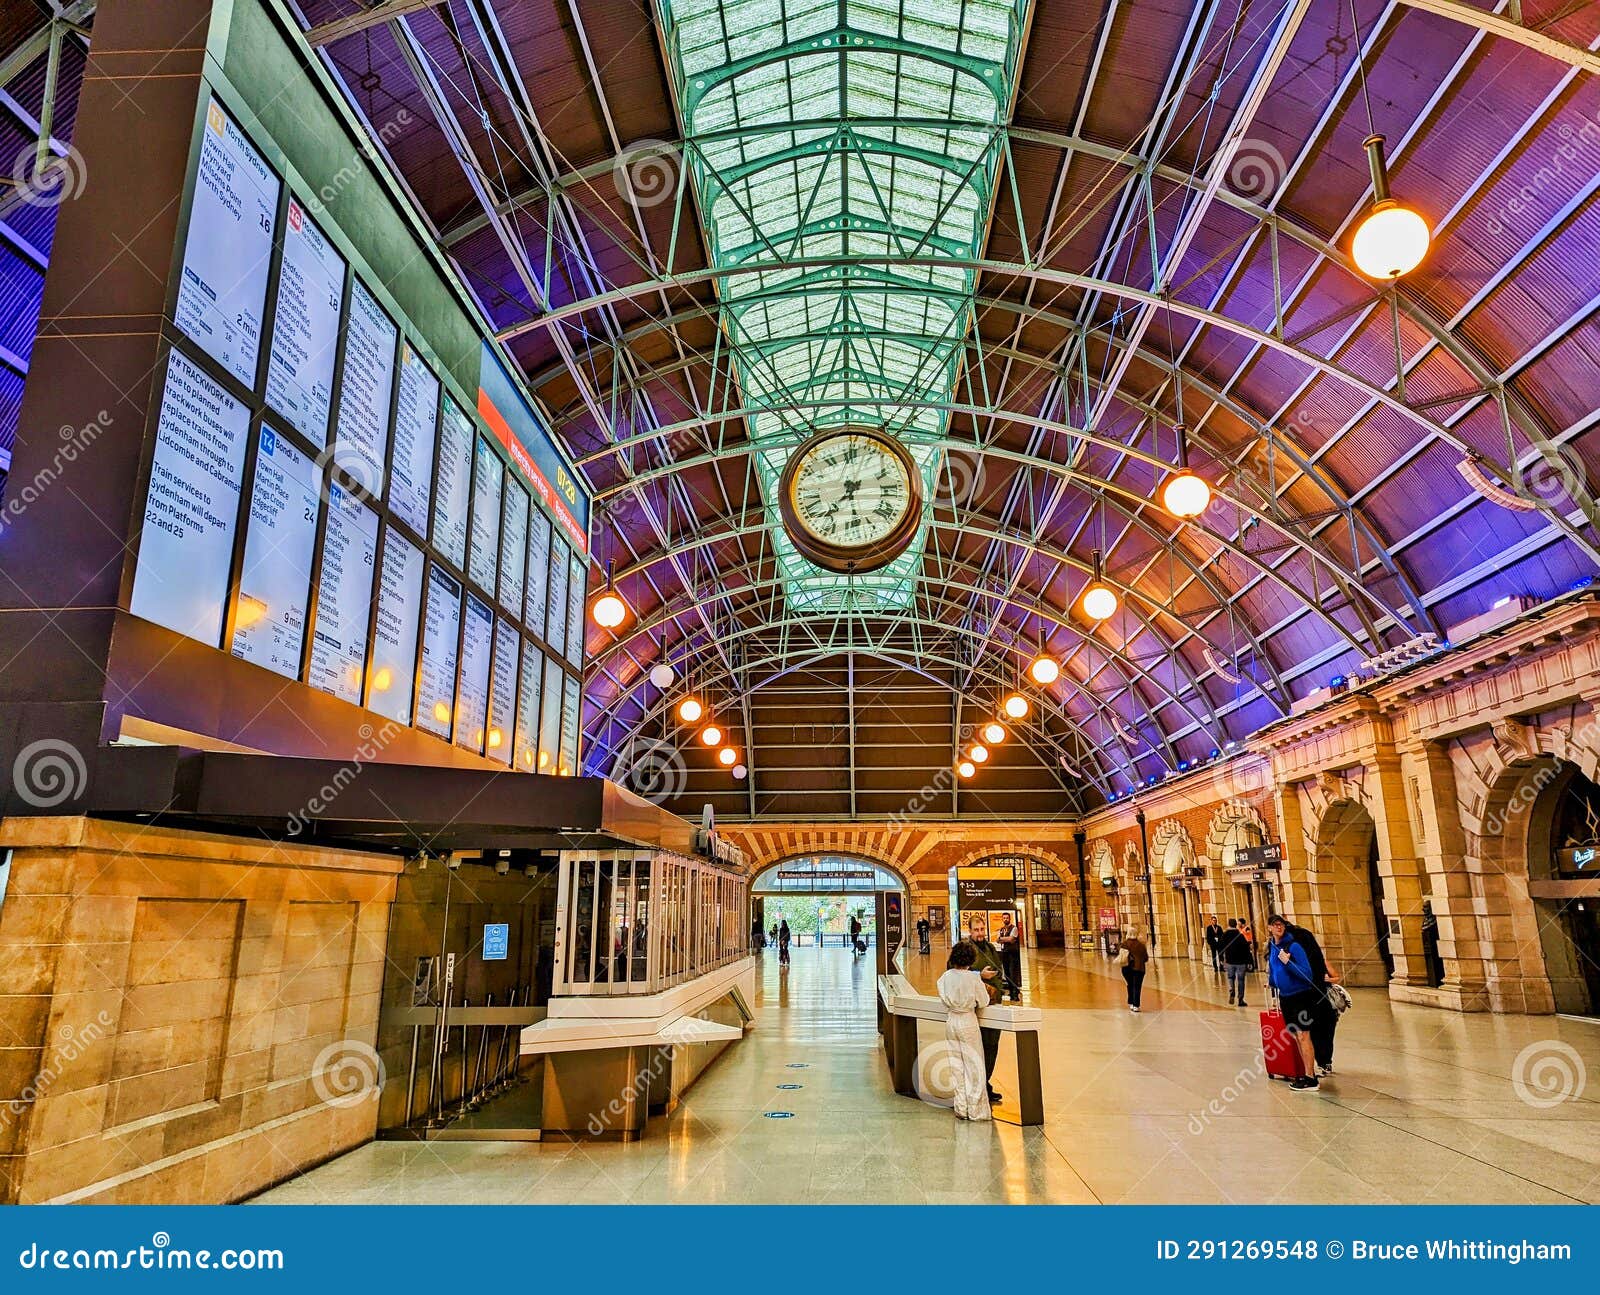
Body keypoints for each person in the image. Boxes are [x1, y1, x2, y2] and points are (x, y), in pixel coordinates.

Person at [936, 942, 992, 1121]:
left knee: (956, 1065)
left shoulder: (945, 977)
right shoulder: (973, 979)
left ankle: (961, 1107)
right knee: (973, 1064)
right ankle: (976, 1111)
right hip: (968, 1021)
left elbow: (943, 997)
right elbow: (983, 1001)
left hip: (951, 1020)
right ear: (971, 959)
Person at [1266, 915, 1321, 1091]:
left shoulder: (1294, 946)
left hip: (1301, 996)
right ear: (1269, 928)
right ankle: (1305, 1073)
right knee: (1296, 1035)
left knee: (1304, 1035)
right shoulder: (1273, 946)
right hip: (1286, 997)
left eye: (1281, 924)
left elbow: (1307, 974)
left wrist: (1288, 962)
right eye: (1275, 925)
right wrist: (1272, 986)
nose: (1278, 927)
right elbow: (1273, 968)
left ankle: (1311, 1078)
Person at [1283, 917, 1339, 1076]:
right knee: (1325, 1027)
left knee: (1306, 1031)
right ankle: (1325, 1061)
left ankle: (1310, 1072)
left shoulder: (1292, 944)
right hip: (1320, 992)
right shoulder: (1306, 938)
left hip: (1304, 993)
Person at [964, 915, 1007, 1105]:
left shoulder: (990, 948)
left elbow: (999, 970)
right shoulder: (965, 949)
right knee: (977, 1047)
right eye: (976, 930)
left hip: (993, 1002)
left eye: (982, 929)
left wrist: (998, 989)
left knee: (992, 1045)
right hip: (976, 1007)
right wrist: (978, 975)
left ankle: (985, 1081)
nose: (980, 933)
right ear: (970, 931)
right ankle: (976, 1084)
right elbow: (954, 971)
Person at [1220, 917, 1252, 1006]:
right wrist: (1249, 961)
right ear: (1235, 925)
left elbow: (1221, 947)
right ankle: (1240, 999)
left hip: (1230, 960)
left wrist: (1221, 959)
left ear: (1228, 924)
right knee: (1241, 980)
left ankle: (1232, 990)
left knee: (1230, 977)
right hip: (1241, 961)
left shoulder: (1225, 935)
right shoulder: (1240, 935)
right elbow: (1246, 948)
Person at [1117, 927, 1149, 1012]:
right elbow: (1146, 958)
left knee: (1130, 984)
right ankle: (1136, 1005)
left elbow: (1122, 956)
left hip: (1127, 968)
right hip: (1139, 969)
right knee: (1137, 986)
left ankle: (1131, 1002)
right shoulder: (1141, 945)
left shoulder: (1125, 944)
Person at [994, 912, 1023, 1002]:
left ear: (1009, 918)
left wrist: (1002, 939)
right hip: (1005, 953)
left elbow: (1011, 939)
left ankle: (1015, 994)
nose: (1005, 919)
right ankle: (1011, 991)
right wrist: (1004, 939)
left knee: (1012, 973)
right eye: (1004, 918)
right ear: (1002, 919)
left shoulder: (1014, 928)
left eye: (1007, 918)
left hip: (1012, 954)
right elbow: (997, 940)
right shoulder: (1002, 929)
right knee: (1006, 974)